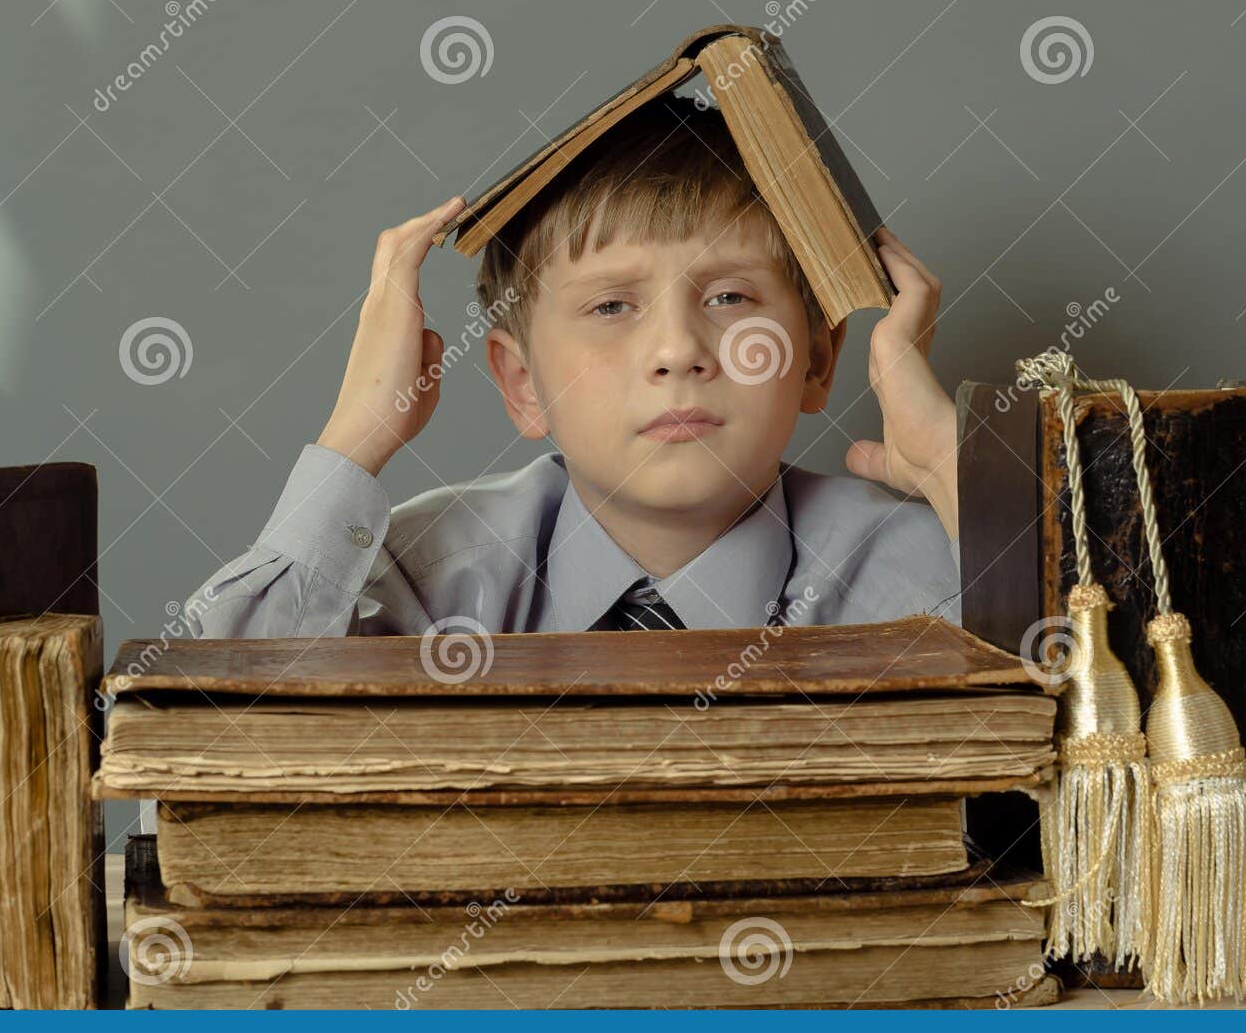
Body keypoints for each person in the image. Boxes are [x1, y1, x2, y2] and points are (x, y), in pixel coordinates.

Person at [182, 93, 960, 638]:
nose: (677, 351)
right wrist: (356, 438)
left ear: (818, 358)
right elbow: (202, 761)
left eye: (729, 297)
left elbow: (1082, 739)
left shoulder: (928, 568)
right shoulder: (422, 586)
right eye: (611, 307)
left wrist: (955, 471)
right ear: (524, 386)